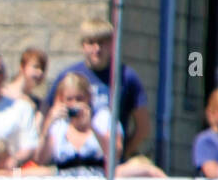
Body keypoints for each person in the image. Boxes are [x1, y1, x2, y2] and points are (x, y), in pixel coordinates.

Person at [43, 18, 150, 160]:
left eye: (102, 43)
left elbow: (143, 127)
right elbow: (47, 113)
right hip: (70, 156)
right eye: (91, 43)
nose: (97, 49)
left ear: (112, 44)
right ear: (83, 45)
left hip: (109, 156)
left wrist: (122, 154)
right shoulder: (69, 76)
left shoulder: (126, 77)